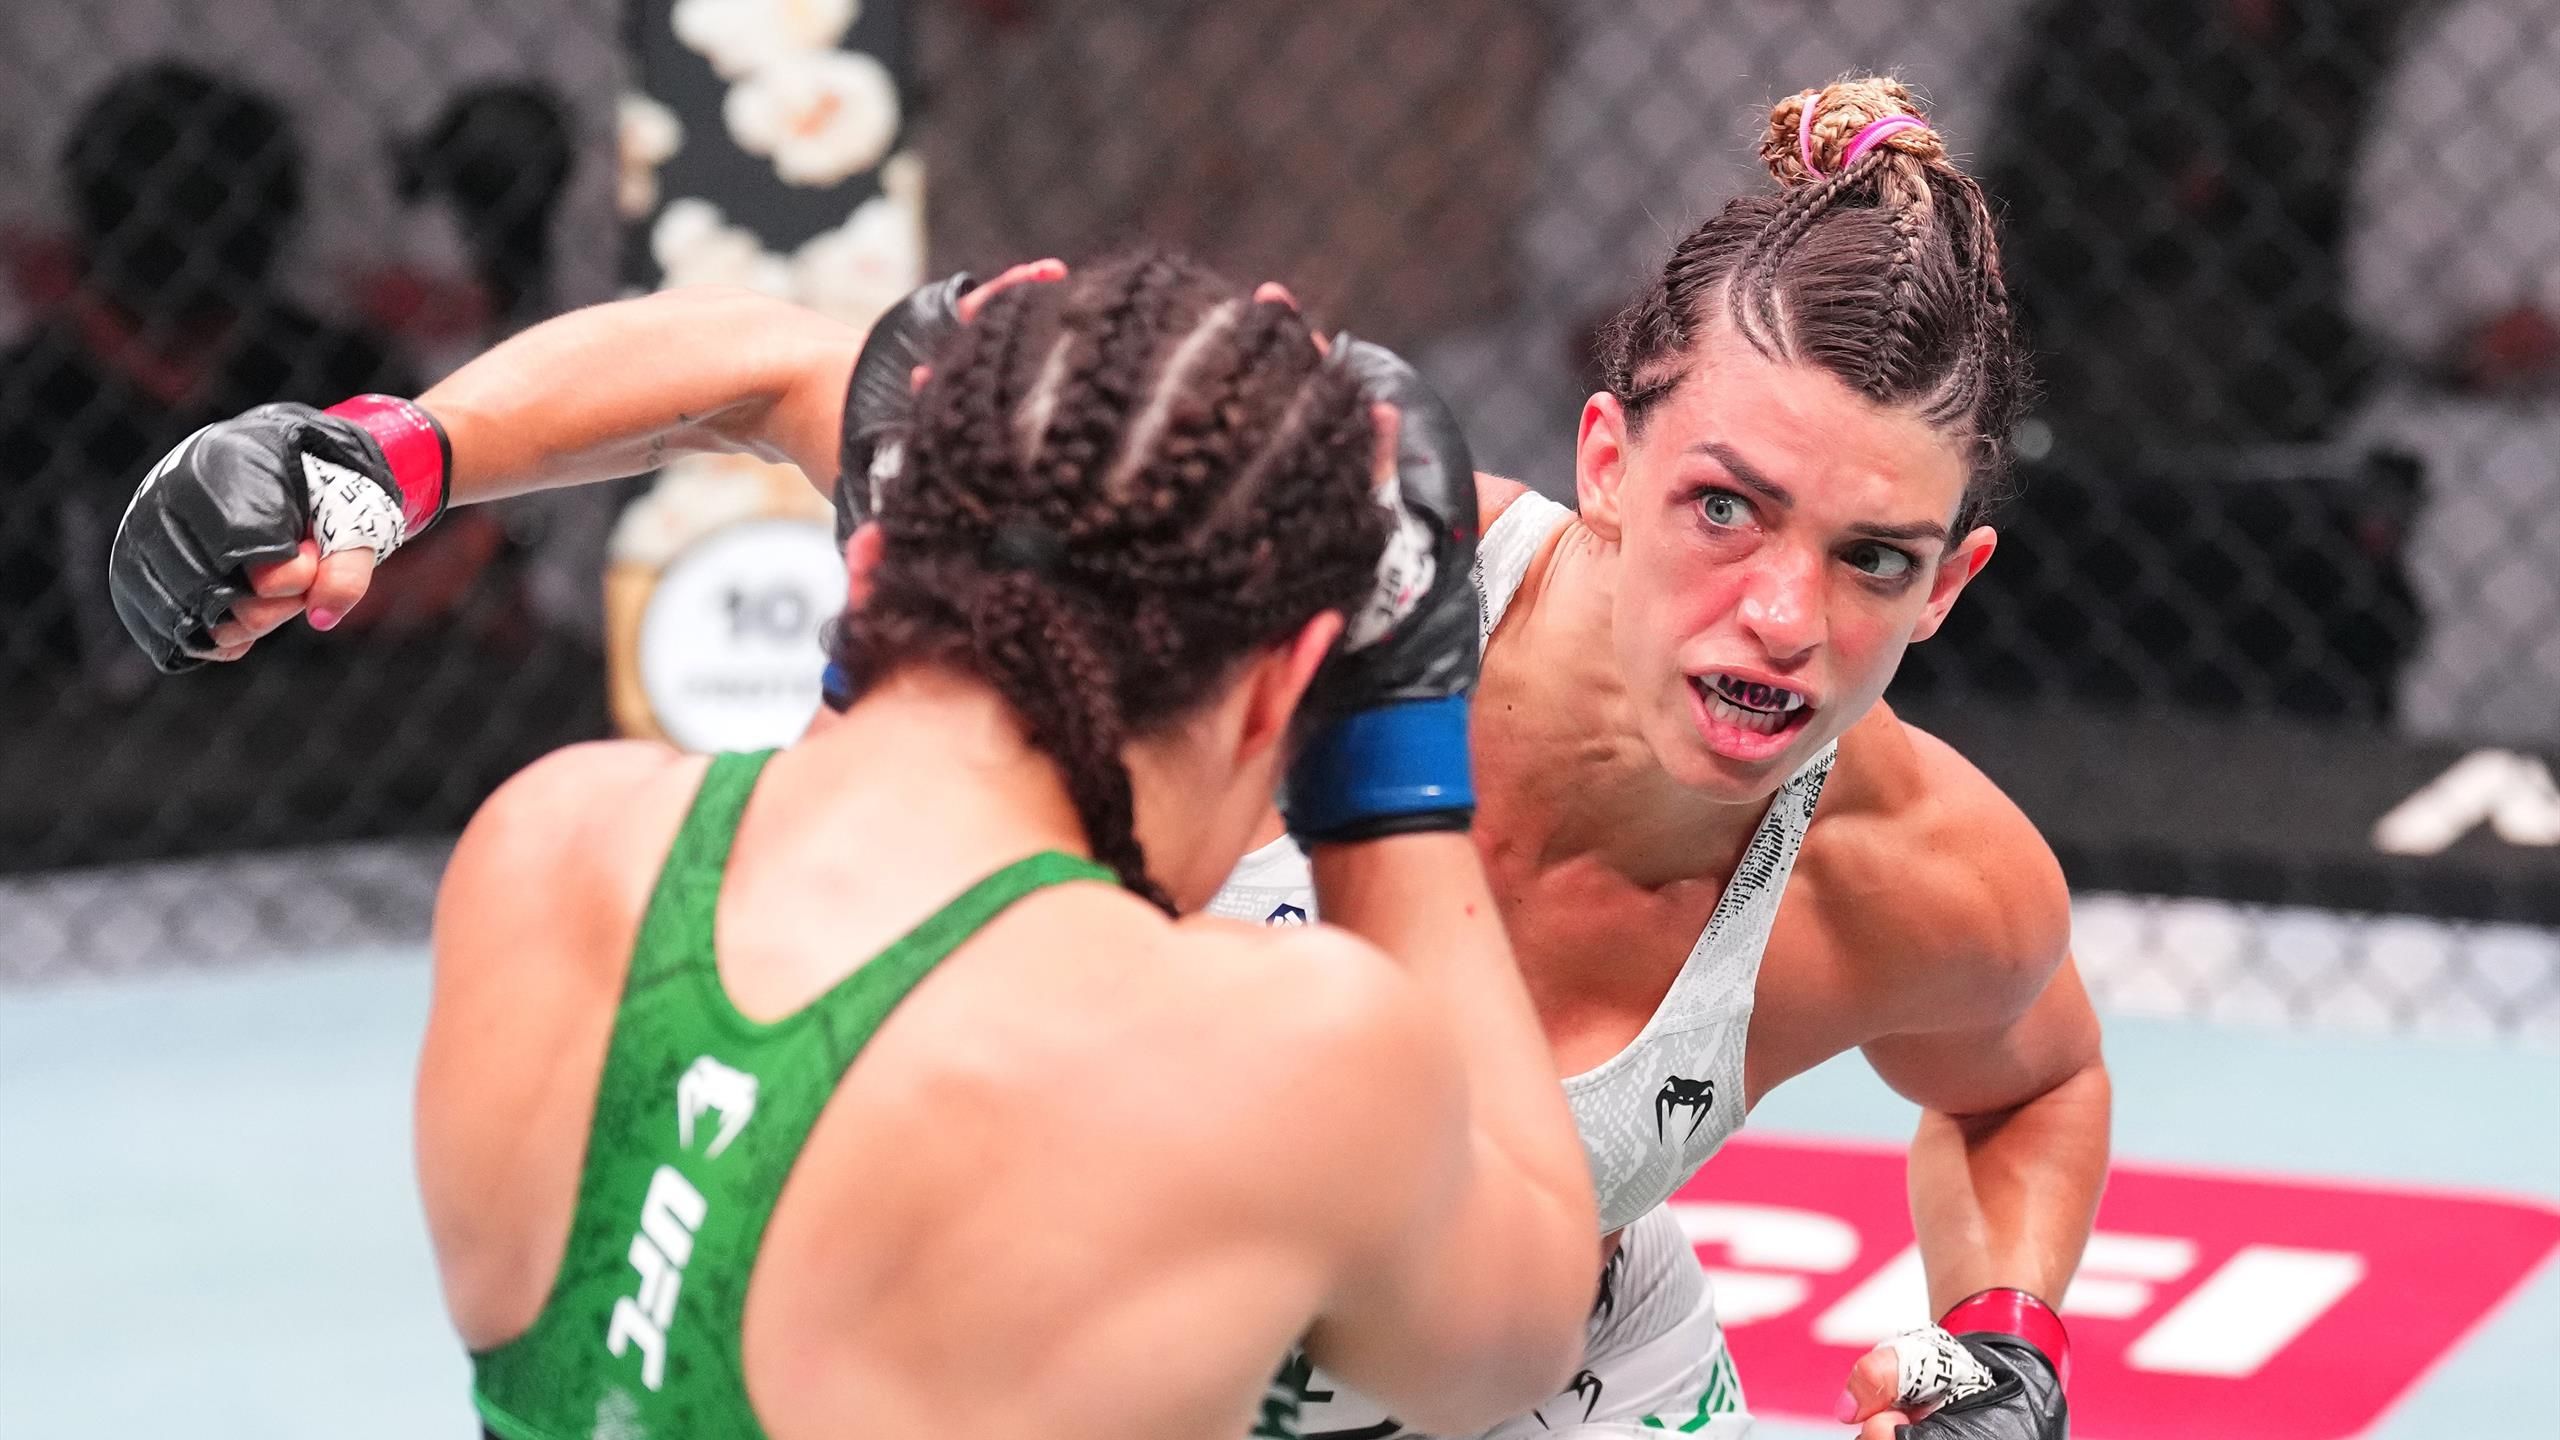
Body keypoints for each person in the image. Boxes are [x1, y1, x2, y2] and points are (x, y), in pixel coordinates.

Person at [113, 80, 2106, 1440]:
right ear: (1602, 461)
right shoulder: (1300, 536)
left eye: (1869, 562)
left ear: (1951, 585)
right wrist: (388, 455)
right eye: (1724, 511)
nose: (1779, 615)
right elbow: (801, 366)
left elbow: (2034, 1082)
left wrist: (2007, 1339)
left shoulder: (1916, 876)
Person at [167, 252, 1607, 1437]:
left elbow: (749, 358)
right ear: (1286, 685)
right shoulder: (1274, 1053)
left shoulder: (550, 848)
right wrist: (1392, 766)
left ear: (869, 565)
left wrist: (386, 452)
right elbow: (1512, 1340)